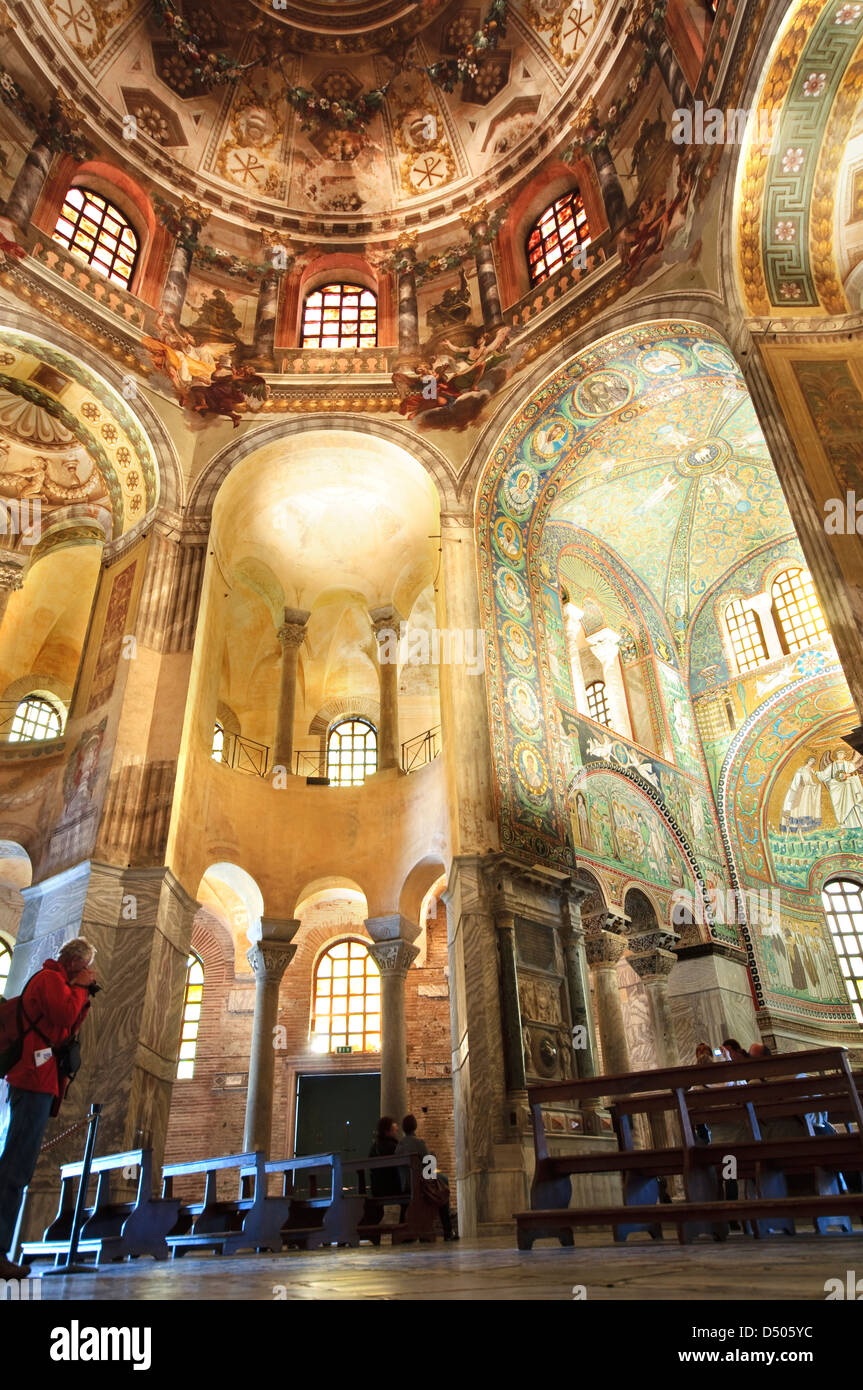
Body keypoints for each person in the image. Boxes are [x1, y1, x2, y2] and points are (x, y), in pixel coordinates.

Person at [0, 937, 96, 1277]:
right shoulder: (51, 980)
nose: (88, 973)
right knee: (14, 1168)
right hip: (31, 1077)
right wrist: (82, 988)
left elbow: (67, 1029)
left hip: (39, 1079)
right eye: (84, 967)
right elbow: (65, 1013)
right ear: (73, 963)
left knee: (18, 1166)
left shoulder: (57, 981)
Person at [396, 1113, 457, 1240]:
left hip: (405, 1185)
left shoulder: (399, 1146)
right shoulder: (419, 1143)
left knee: (439, 1182)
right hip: (419, 1184)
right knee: (443, 1182)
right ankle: (447, 1230)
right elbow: (429, 1166)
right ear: (415, 1126)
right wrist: (432, 1155)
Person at [363, 1115, 406, 1238]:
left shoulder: (374, 1147)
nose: (396, 1130)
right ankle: (404, 1233)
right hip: (394, 1189)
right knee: (410, 1197)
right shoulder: (395, 1147)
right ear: (387, 1131)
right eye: (394, 1129)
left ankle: (371, 1233)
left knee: (376, 1211)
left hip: (377, 1190)